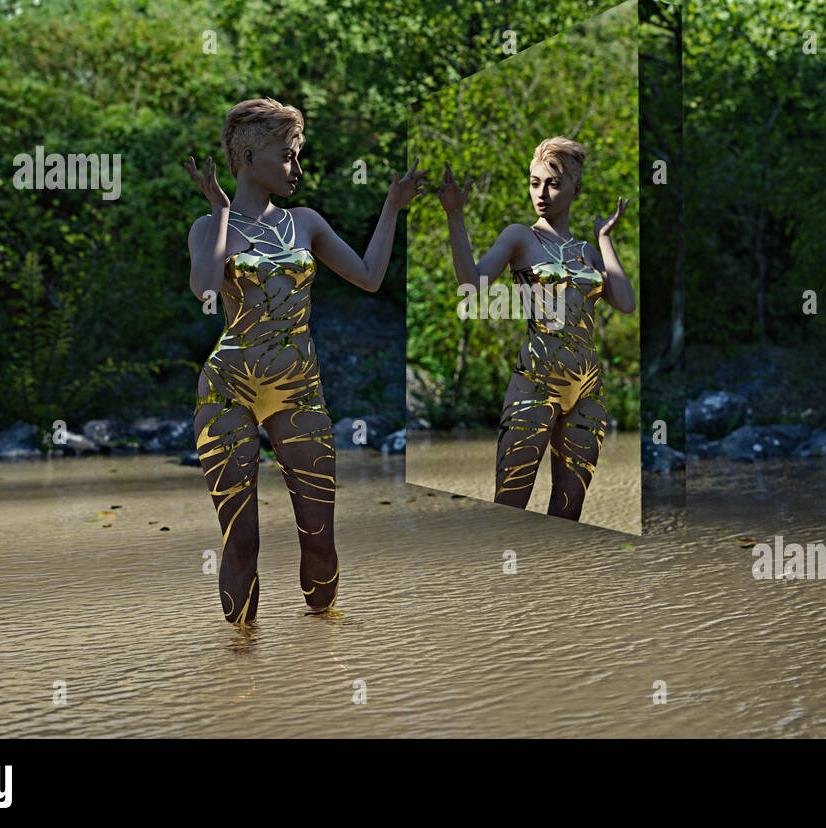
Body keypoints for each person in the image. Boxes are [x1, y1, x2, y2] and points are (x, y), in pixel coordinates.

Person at [185, 97, 429, 624]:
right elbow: (205, 292)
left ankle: (322, 662)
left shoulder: (306, 223)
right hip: (227, 389)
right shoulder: (210, 228)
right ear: (249, 158)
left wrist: (392, 206)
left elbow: (369, 276)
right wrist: (221, 211)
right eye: (288, 155)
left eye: (299, 156)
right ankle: (242, 675)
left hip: (299, 389)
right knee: (242, 541)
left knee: (320, 541)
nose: (298, 168)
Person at [436, 136, 635, 521]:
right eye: (534, 182)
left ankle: (553, 582)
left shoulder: (586, 252)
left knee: (568, 513)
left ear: (576, 188)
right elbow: (471, 284)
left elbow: (626, 303)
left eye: (553, 183)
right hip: (534, 381)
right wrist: (454, 216)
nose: (541, 193)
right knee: (510, 507)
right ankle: (500, 579)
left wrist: (604, 239)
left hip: (588, 390)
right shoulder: (519, 236)